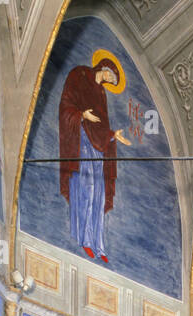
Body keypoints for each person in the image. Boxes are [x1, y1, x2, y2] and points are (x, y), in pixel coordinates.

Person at [57, 55, 133, 262]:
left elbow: (100, 126)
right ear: (106, 68)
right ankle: (85, 239)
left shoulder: (101, 93)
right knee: (87, 189)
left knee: (98, 194)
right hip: (81, 140)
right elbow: (65, 106)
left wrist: (112, 135)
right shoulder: (79, 75)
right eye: (111, 77)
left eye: (113, 82)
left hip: (98, 147)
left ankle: (98, 245)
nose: (110, 81)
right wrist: (81, 115)